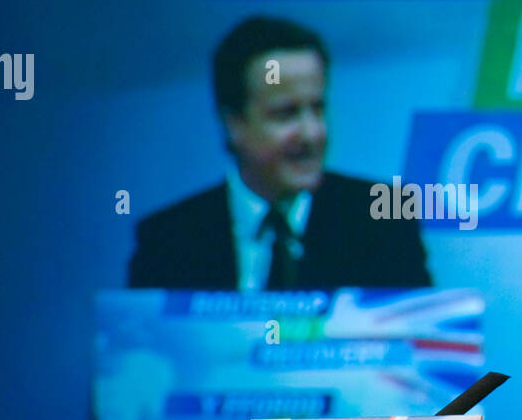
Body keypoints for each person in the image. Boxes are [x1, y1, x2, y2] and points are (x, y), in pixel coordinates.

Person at [127, 16, 431, 291]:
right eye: (286, 114)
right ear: (234, 124)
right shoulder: (169, 240)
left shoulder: (384, 220)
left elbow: (421, 345)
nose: (311, 134)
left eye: (318, 108)